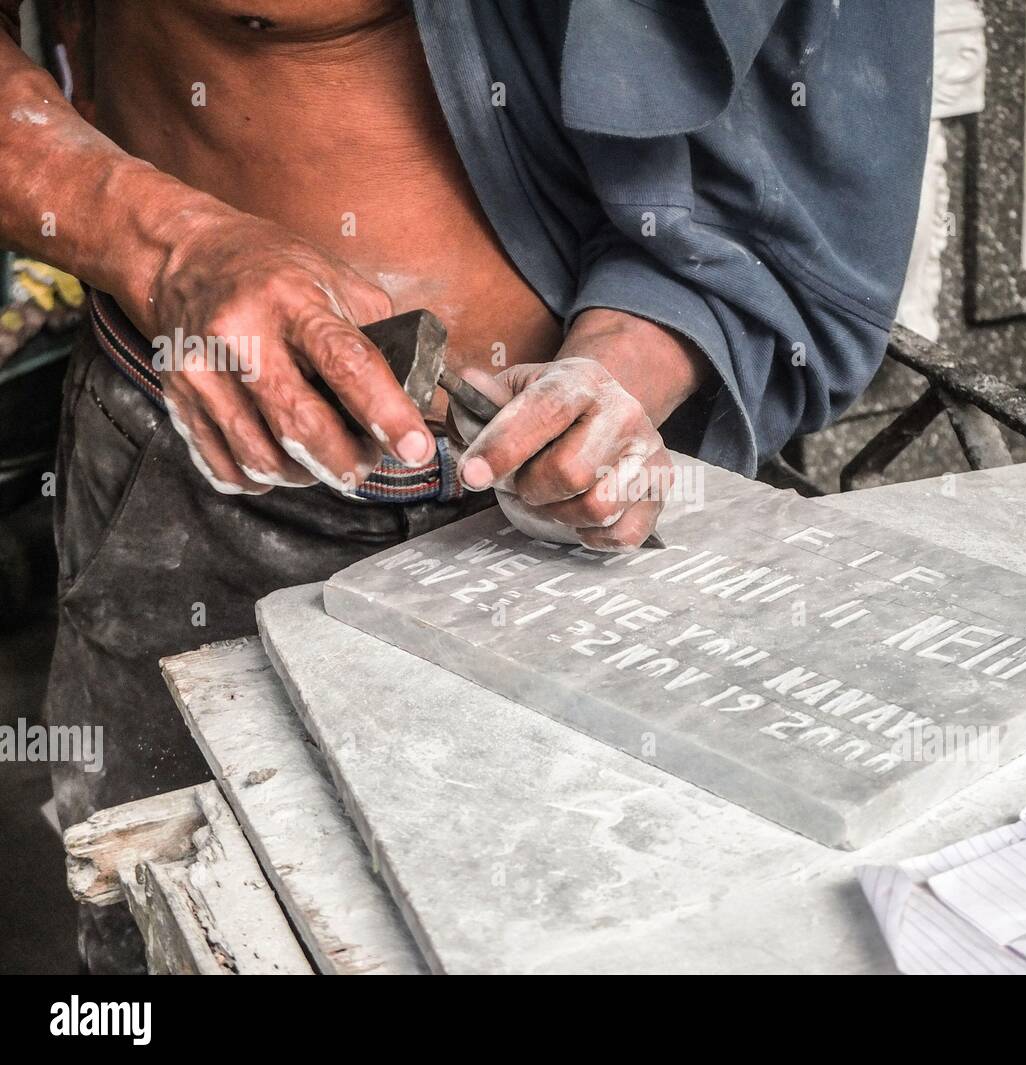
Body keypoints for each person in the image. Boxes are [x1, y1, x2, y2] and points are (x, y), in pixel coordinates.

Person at [0, 0, 933, 970]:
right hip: (205, 474)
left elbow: (793, 176)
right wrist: (166, 244)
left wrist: (624, 370)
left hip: (608, 516)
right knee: (179, 941)